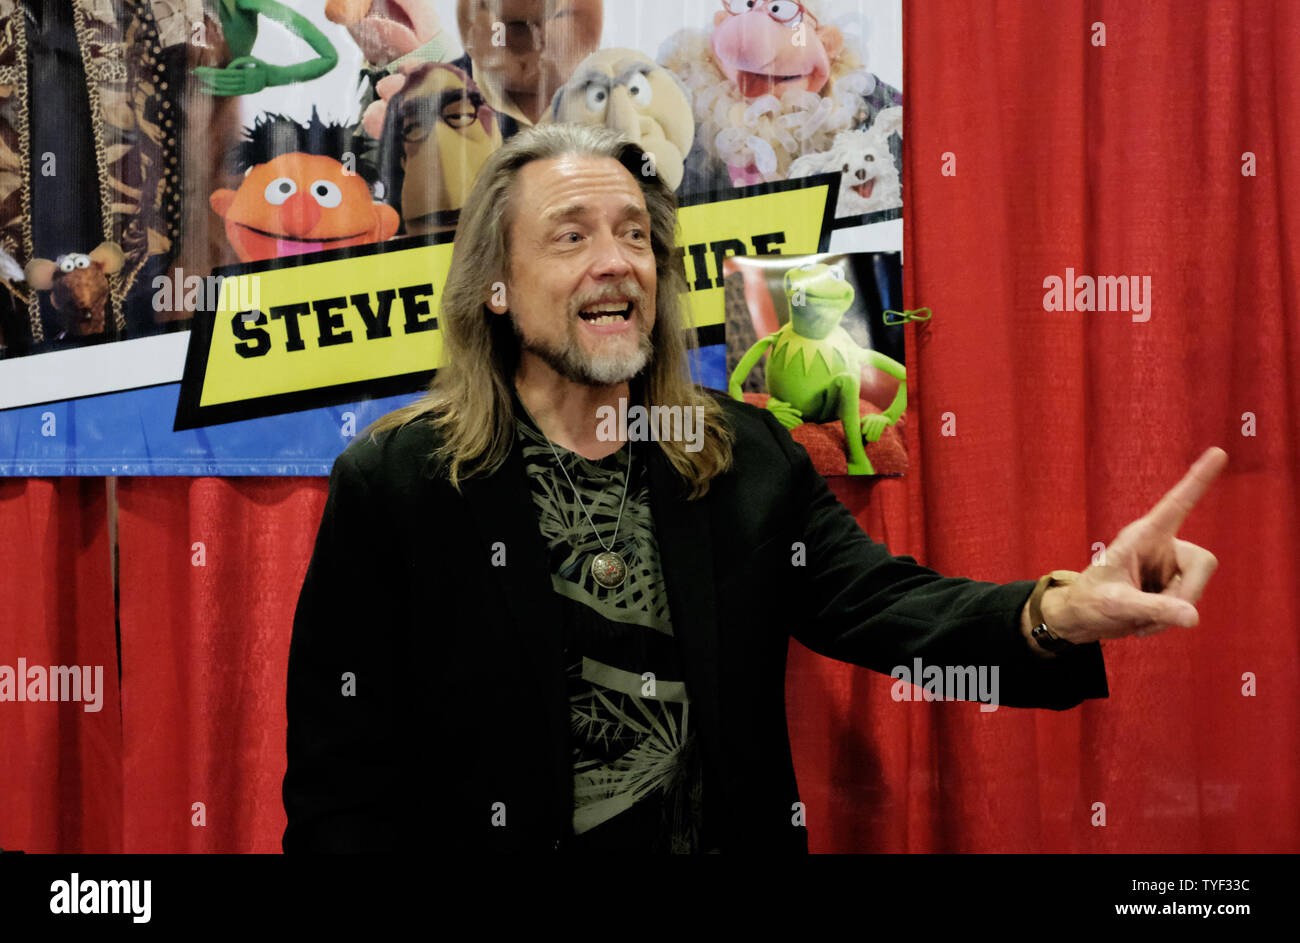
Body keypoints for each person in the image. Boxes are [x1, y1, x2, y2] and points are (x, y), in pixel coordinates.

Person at [281, 122, 1226, 854]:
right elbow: (338, 782)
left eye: (634, 236)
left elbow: (887, 607)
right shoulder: (401, 481)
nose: (617, 261)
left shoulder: (734, 452)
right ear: (496, 285)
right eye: (570, 237)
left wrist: (1057, 609)